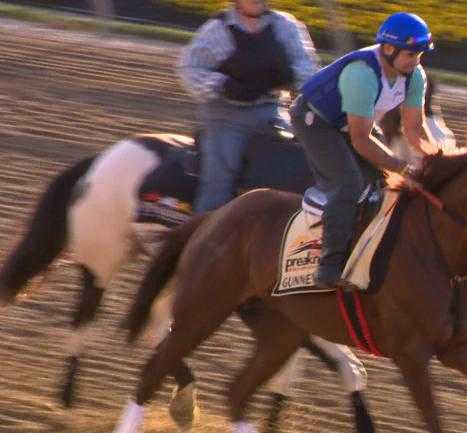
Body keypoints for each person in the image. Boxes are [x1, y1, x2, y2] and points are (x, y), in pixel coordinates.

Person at [290, 12, 437, 289]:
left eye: (420, 54)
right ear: (389, 49)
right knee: (348, 184)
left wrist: (438, 161)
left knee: (381, 185)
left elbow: (415, 130)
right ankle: (328, 267)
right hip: (316, 121)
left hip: (352, 126)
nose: (417, 60)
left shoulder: (414, 75)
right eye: (411, 53)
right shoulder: (362, 74)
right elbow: (360, 140)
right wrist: (403, 168)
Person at [179, 0, 319, 214]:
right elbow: (189, 68)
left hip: (271, 113)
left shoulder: (286, 26)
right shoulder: (218, 30)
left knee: (303, 158)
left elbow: (308, 66)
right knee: (220, 180)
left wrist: (291, 75)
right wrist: (224, 85)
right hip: (225, 117)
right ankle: (203, 230)